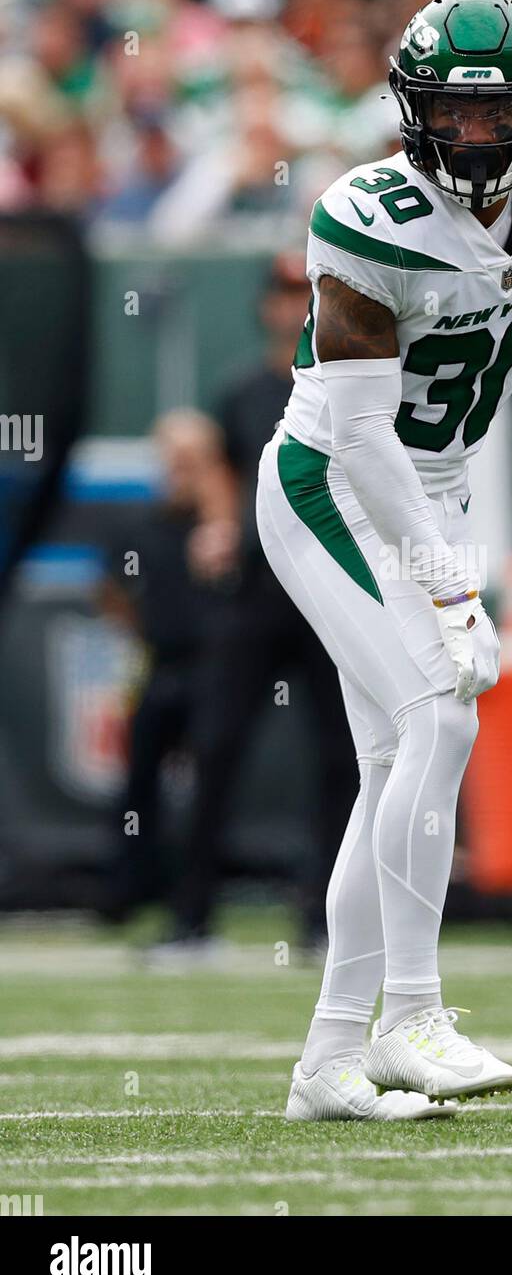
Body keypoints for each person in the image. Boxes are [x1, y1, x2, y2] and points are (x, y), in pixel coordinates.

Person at [256, 0, 512, 1121]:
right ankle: (409, 1014)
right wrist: (447, 583)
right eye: (448, 111)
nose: (469, 133)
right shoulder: (365, 217)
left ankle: (325, 1063)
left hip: (434, 489)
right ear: (410, 110)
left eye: (493, 108)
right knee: (443, 712)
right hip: (331, 482)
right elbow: (358, 433)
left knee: (396, 765)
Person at [152, 255, 357, 957]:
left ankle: (325, 919)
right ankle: (191, 917)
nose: (290, 304)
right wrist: (217, 525)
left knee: (343, 757)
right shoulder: (243, 391)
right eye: (283, 293)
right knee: (215, 748)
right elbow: (222, 473)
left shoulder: (345, 385)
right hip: (258, 588)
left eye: (303, 292)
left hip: (329, 590)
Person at [100, 410, 224, 917]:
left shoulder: (225, 530)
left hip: (214, 669)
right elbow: (111, 592)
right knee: (137, 783)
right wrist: (141, 635)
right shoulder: (142, 526)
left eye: (192, 461)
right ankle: (130, 889)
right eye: (174, 460)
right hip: (159, 664)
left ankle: (193, 895)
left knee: (211, 783)